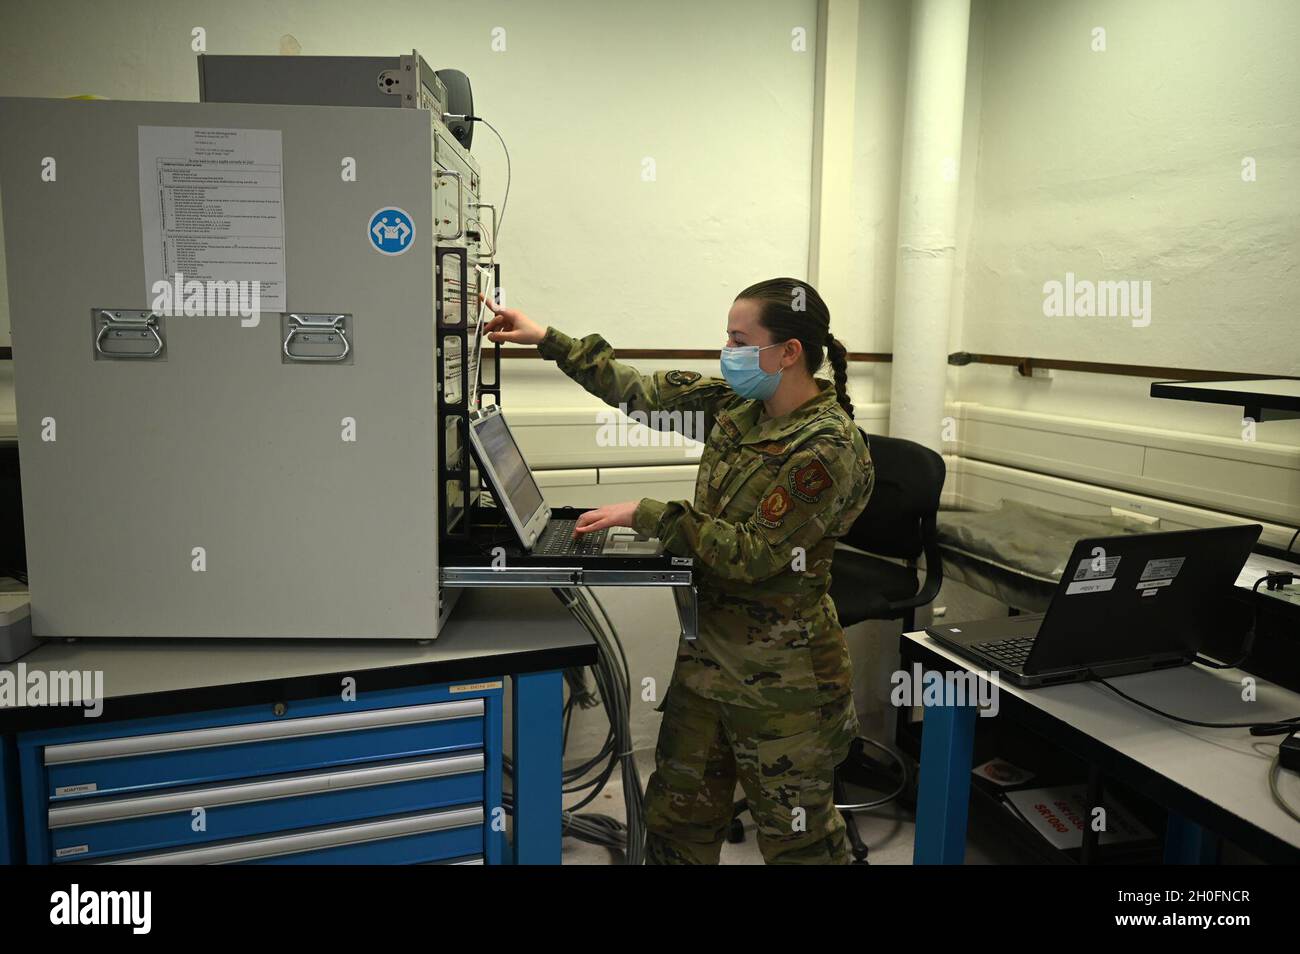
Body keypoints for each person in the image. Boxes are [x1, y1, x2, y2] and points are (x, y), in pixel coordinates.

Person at [483, 278, 874, 864]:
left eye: (740, 339)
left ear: (789, 351)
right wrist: (547, 339)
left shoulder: (825, 448)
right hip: (706, 661)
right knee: (675, 830)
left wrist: (648, 515)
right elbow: (641, 392)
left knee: (802, 846)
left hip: (782, 683)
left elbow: (753, 553)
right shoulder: (739, 408)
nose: (728, 351)